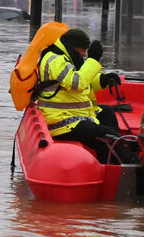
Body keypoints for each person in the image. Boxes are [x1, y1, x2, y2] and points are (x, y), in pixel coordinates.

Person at [33, 28, 134, 164]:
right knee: (106, 135)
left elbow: (84, 82)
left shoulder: (66, 57)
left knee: (107, 113)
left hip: (74, 115)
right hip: (60, 122)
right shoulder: (54, 60)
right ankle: (128, 162)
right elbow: (76, 83)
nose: (84, 54)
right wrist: (92, 60)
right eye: (82, 50)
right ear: (72, 46)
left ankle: (108, 159)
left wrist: (103, 80)